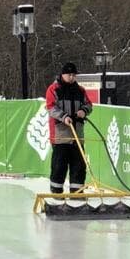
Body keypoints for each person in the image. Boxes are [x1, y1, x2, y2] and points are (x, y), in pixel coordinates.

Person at [45, 62, 93, 194]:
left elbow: (89, 104)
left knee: (78, 165)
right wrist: (63, 116)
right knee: (59, 165)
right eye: (69, 75)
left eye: (74, 75)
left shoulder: (80, 90)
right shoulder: (54, 89)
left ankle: (77, 192)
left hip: (77, 134)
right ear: (63, 74)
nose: (72, 77)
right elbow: (50, 107)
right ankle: (56, 191)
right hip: (60, 135)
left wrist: (84, 110)